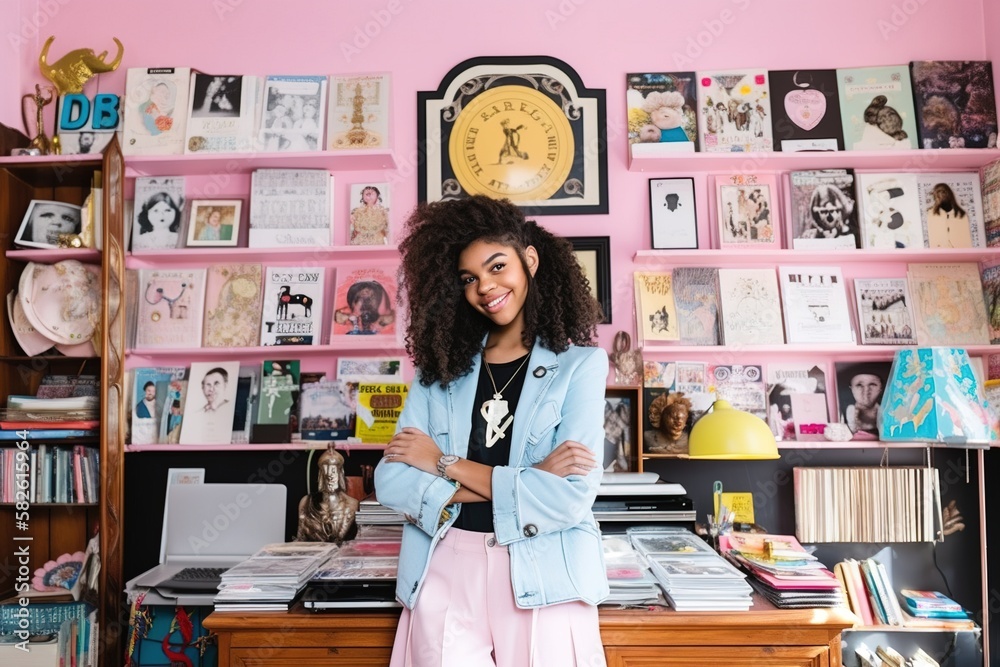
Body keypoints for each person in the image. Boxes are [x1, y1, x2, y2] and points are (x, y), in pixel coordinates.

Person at [374, 195, 608, 666]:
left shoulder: (580, 366)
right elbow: (392, 481)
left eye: (497, 266)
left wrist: (443, 464)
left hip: (545, 567)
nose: (485, 287)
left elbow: (570, 496)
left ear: (529, 260)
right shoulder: (438, 372)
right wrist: (531, 477)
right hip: (444, 565)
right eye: (468, 278)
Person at [296, 446, 360, 544]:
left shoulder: (352, 505)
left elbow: (352, 540)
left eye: (334, 470)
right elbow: (300, 539)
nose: (330, 475)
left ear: (341, 473)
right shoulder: (306, 502)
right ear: (321, 474)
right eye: (327, 470)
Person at [925, 182, 972, 248]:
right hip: (940, 252)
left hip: (959, 252)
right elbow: (933, 240)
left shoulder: (961, 215)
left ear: (949, 195)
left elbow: (966, 242)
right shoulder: (932, 214)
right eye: (938, 195)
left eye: (943, 193)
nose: (941, 197)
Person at [843, 370, 884, 436]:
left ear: (881, 388)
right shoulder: (847, 412)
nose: (866, 390)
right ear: (851, 389)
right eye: (859, 385)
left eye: (872, 385)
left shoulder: (886, 411)